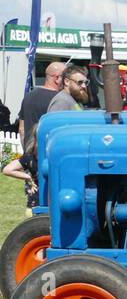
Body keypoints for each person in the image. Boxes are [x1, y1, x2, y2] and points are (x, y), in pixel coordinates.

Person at [9, 62, 67, 207]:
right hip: (49, 157)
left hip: (31, 155)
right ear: (57, 78)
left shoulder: (29, 96)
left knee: (33, 199)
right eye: (65, 78)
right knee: (52, 200)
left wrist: (27, 153)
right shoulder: (60, 100)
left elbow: (21, 129)